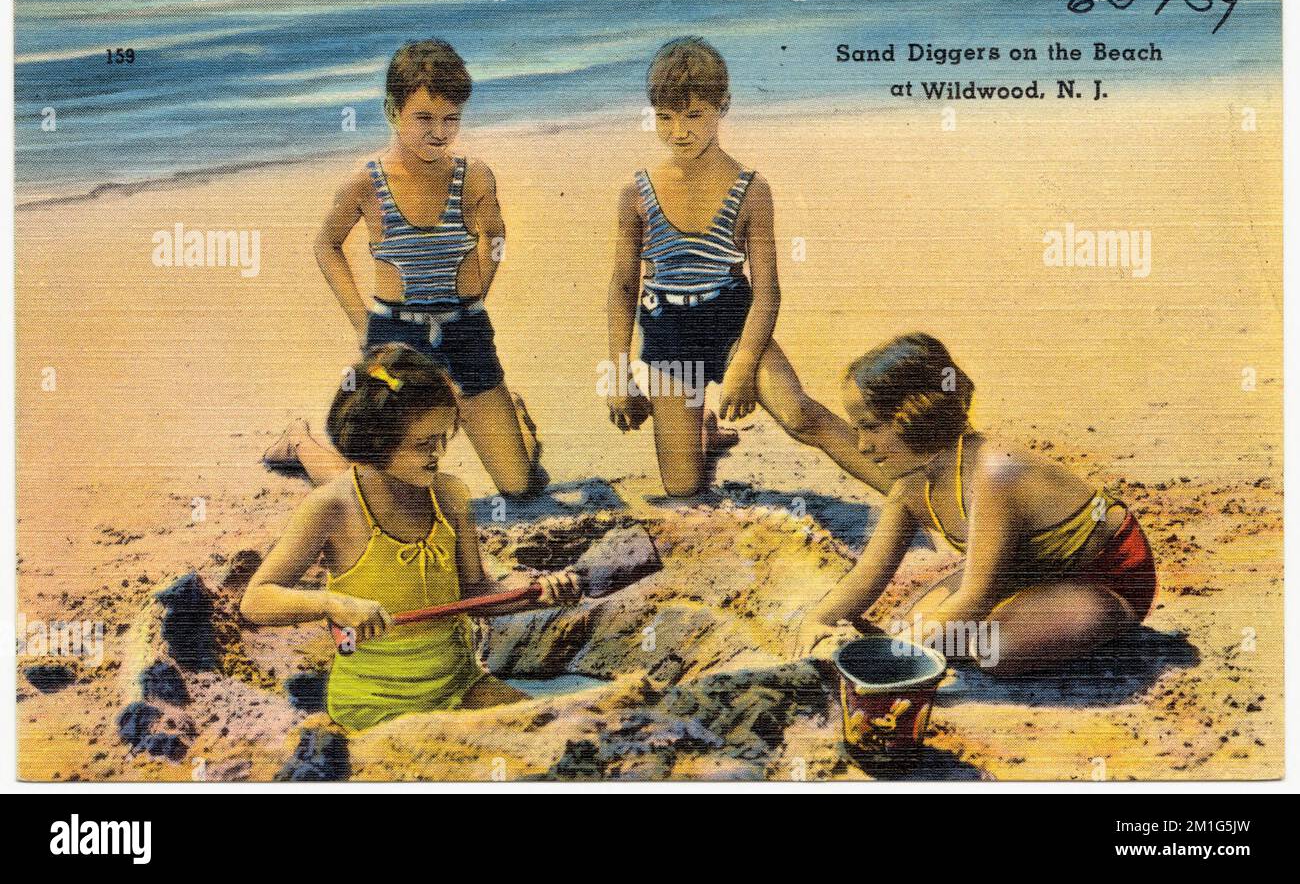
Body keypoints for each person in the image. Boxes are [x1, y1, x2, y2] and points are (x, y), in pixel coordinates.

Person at [606, 37, 894, 498]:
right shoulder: (636, 192)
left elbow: (768, 293)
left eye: (694, 116)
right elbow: (622, 289)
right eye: (665, 118)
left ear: (722, 107)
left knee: (798, 414)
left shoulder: (751, 189)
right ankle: (699, 422)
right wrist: (619, 376)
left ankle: (905, 491)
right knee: (682, 487)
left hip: (731, 322)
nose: (679, 131)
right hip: (667, 330)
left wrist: (742, 367)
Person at [241, 344, 579, 731]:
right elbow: (256, 599)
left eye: (443, 439)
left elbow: (474, 592)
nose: (438, 454)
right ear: (376, 439)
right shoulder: (331, 508)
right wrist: (333, 604)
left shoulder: (450, 495)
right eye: (423, 444)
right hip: (375, 704)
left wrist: (533, 594)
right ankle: (301, 442)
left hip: (459, 684)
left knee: (550, 728)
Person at [264, 38, 546, 498]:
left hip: (465, 333)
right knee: (375, 497)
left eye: (450, 119)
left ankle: (507, 415)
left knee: (519, 488)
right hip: (396, 341)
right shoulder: (367, 182)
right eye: (424, 118)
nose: (439, 131)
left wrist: (478, 290)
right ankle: (300, 441)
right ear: (392, 112)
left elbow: (494, 235)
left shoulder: (474, 175)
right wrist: (361, 321)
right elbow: (326, 246)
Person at [794, 333, 1157, 674]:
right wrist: (818, 621)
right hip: (1026, 573)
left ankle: (1108, 621)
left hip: (1108, 578)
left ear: (914, 415)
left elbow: (975, 596)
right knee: (911, 626)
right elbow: (867, 576)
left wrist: (893, 654)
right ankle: (1035, 609)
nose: (861, 446)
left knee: (993, 649)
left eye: (871, 427)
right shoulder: (909, 490)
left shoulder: (994, 471)